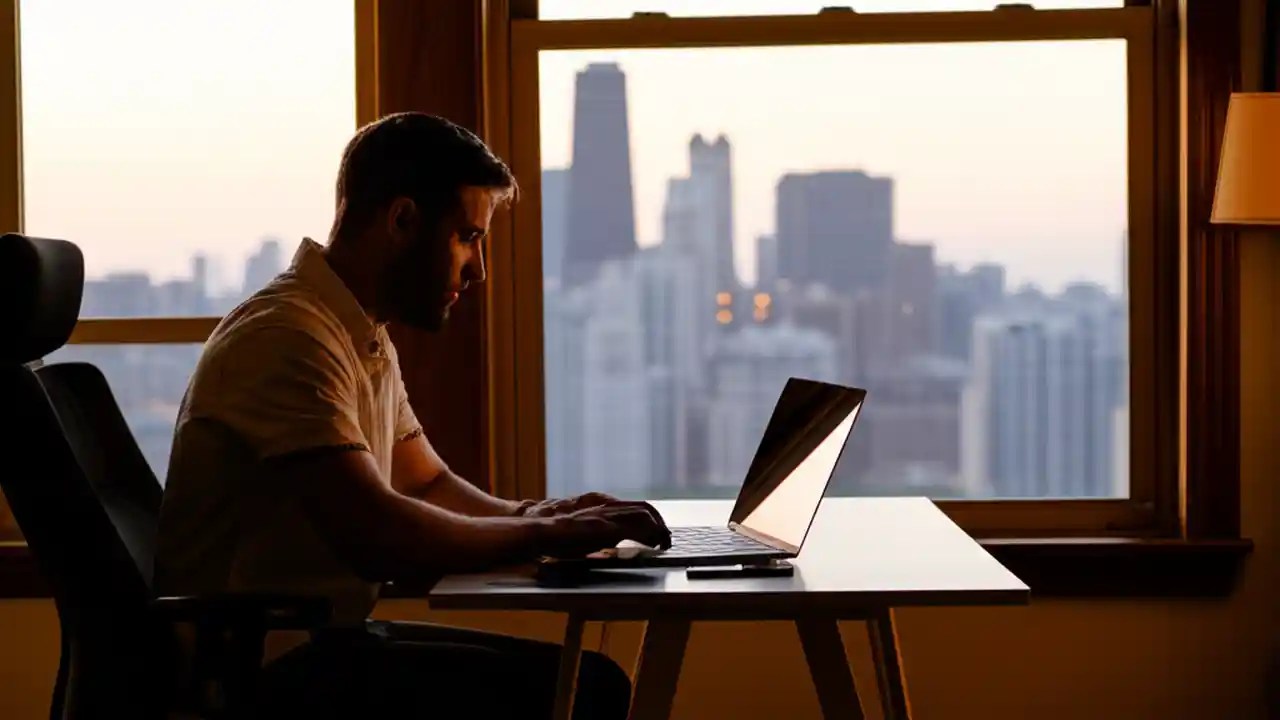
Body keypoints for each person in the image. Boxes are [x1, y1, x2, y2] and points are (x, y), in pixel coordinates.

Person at [154, 112, 671, 719]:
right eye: (467, 237)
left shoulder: (355, 330)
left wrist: (542, 514)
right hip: (257, 670)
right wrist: (551, 535)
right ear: (401, 220)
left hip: (318, 643)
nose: (479, 271)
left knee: (589, 684)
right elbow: (381, 535)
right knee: (583, 693)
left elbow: (424, 481)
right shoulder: (288, 337)